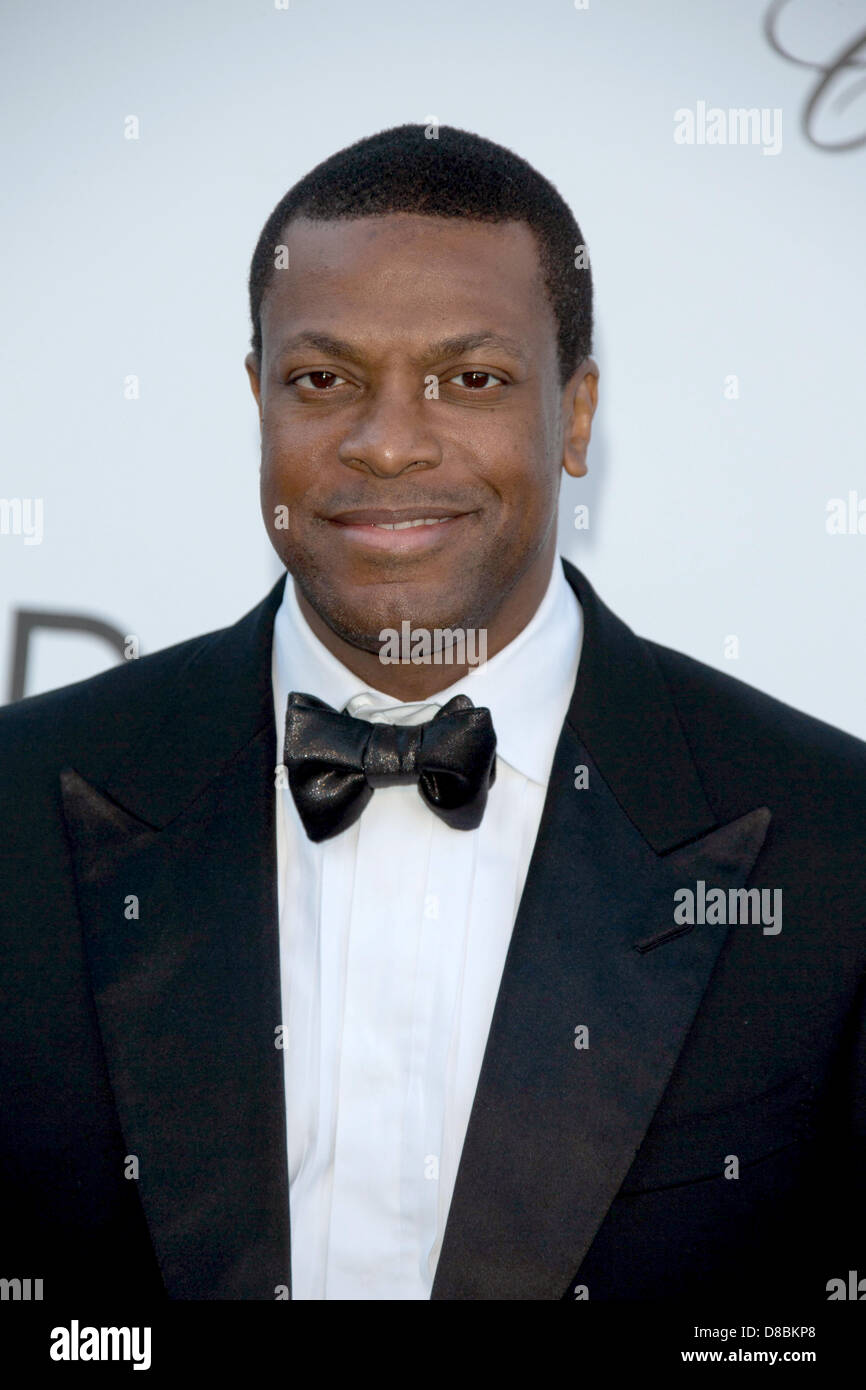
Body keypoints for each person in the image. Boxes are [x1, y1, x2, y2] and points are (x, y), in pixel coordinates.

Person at [1, 123, 864, 1303]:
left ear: (575, 414)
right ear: (257, 398)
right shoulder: (19, 803)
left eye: (471, 379)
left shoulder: (834, 841)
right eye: (323, 380)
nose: (389, 441)